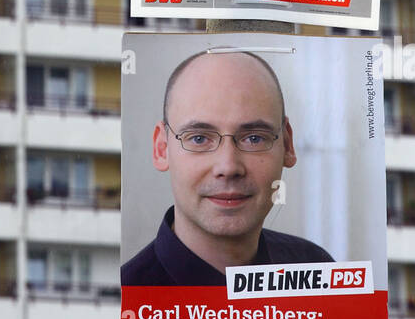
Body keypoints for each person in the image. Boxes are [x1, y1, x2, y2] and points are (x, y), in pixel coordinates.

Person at [121, 49, 334, 286]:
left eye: (254, 138)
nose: (228, 166)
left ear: (287, 144)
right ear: (162, 148)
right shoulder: (126, 299)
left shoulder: (317, 272)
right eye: (199, 138)